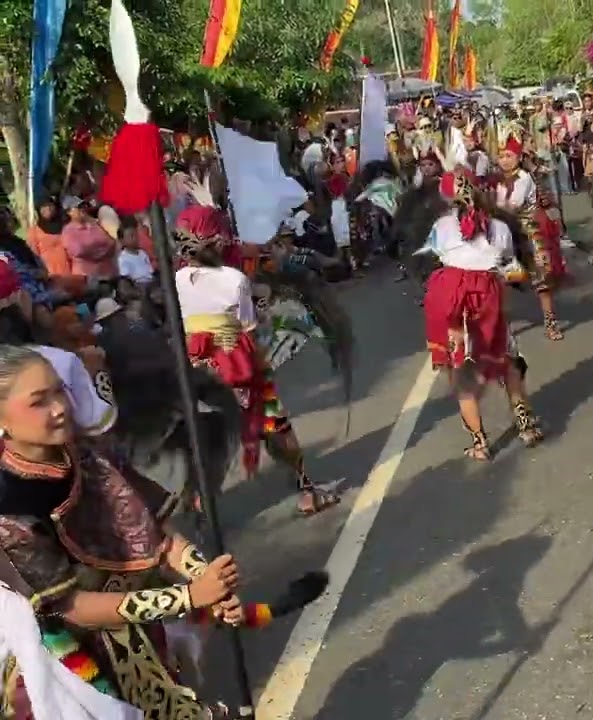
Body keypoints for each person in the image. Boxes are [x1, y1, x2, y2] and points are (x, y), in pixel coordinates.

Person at [0, 345, 242, 718]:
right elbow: (72, 607)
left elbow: (156, 534)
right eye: (38, 401)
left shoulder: (85, 455)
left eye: (59, 391)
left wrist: (207, 577)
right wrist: (189, 597)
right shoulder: (8, 504)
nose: (60, 408)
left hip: (128, 626)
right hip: (62, 657)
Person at [173, 204, 341, 516]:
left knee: (208, 440)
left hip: (198, 371)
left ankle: (197, 503)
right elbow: (249, 329)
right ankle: (306, 490)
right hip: (239, 366)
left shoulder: (176, 281)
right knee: (277, 428)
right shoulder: (233, 280)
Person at [423, 171, 545, 460]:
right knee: (510, 363)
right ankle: (526, 427)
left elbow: (435, 255)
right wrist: (520, 278)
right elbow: (511, 269)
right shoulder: (500, 228)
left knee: (461, 374)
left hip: (451, 302)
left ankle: (480, 444)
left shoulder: (441, 226)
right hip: (489, 298)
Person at [495, 136, 565, 340]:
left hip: (528, 229)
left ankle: (551, 324)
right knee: (500, 278)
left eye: (508, 155)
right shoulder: (500, 180)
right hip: (507, 230)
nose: (504, 160)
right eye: (501, 156)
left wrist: (490, 206)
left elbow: (512, 205)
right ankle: (503, 328)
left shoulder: (524, 178)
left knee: (541, 279)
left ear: (518, 157)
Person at [116, 216, 154, 285]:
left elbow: (150, 270)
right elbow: (125, 279)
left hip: (150, 283)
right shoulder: (123, 259)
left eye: (136, 235)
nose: (135, 238)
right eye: (131, 236)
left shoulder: (142, 253)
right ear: (122, 240)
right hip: (136, 286)